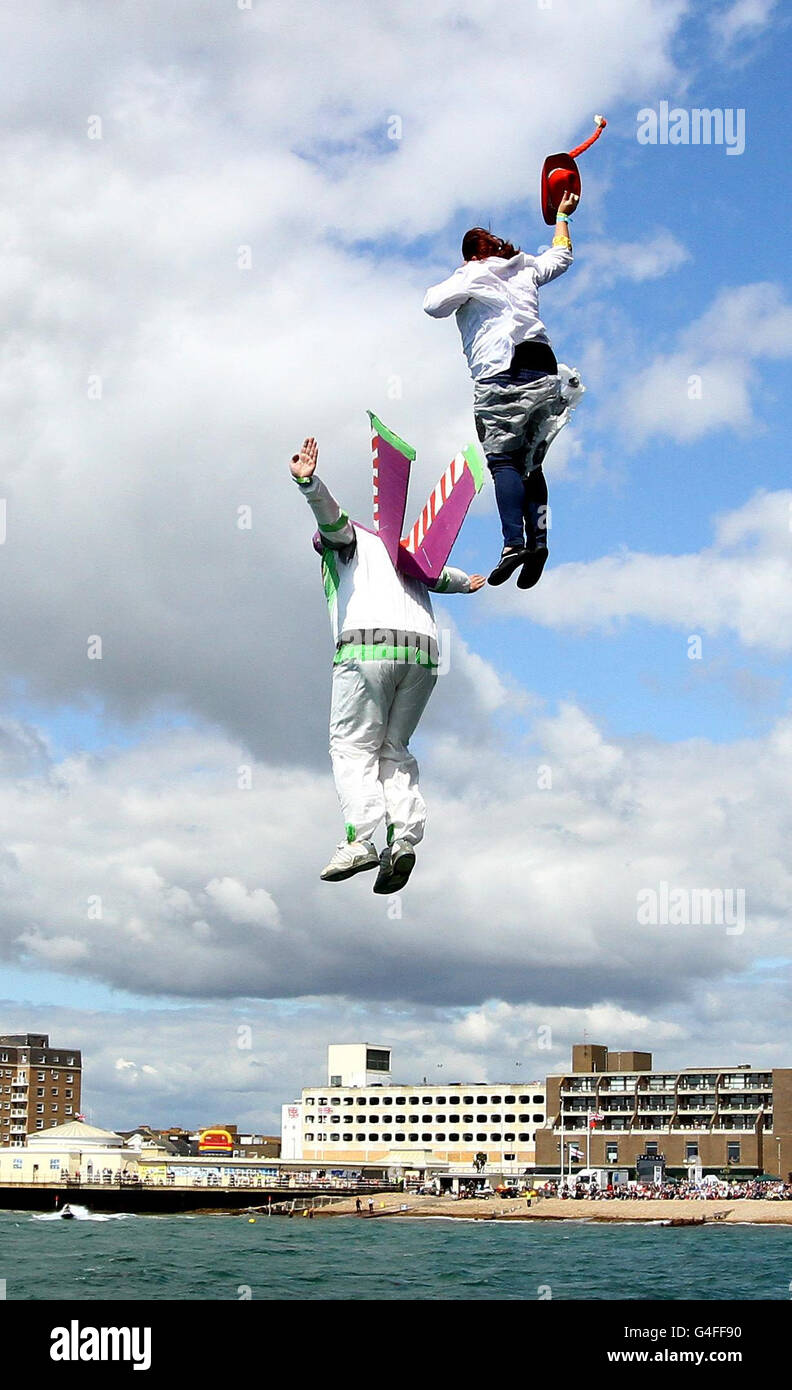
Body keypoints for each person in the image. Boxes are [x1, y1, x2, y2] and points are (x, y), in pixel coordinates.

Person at [291, 436, 485, 891]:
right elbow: (443, 575)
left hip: (366, 646)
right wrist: (467, 583)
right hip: (424, 652)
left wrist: (309, 483)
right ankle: (404, 838)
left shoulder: (349, 540)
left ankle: (360, 840)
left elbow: (333, 521)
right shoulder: (405, 552)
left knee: (352, 747)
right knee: (393, 749)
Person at [423, 192, 583, 589]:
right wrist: (561, 215)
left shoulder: (472, 274)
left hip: (501, 370)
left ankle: (514, 543)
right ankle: (539, 541)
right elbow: (561, 257)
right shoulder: (524, 266)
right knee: (532, 463)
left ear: (470, 256)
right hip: (544, 366)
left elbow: (433, 304)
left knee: (504, 462)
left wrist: (463, 277)